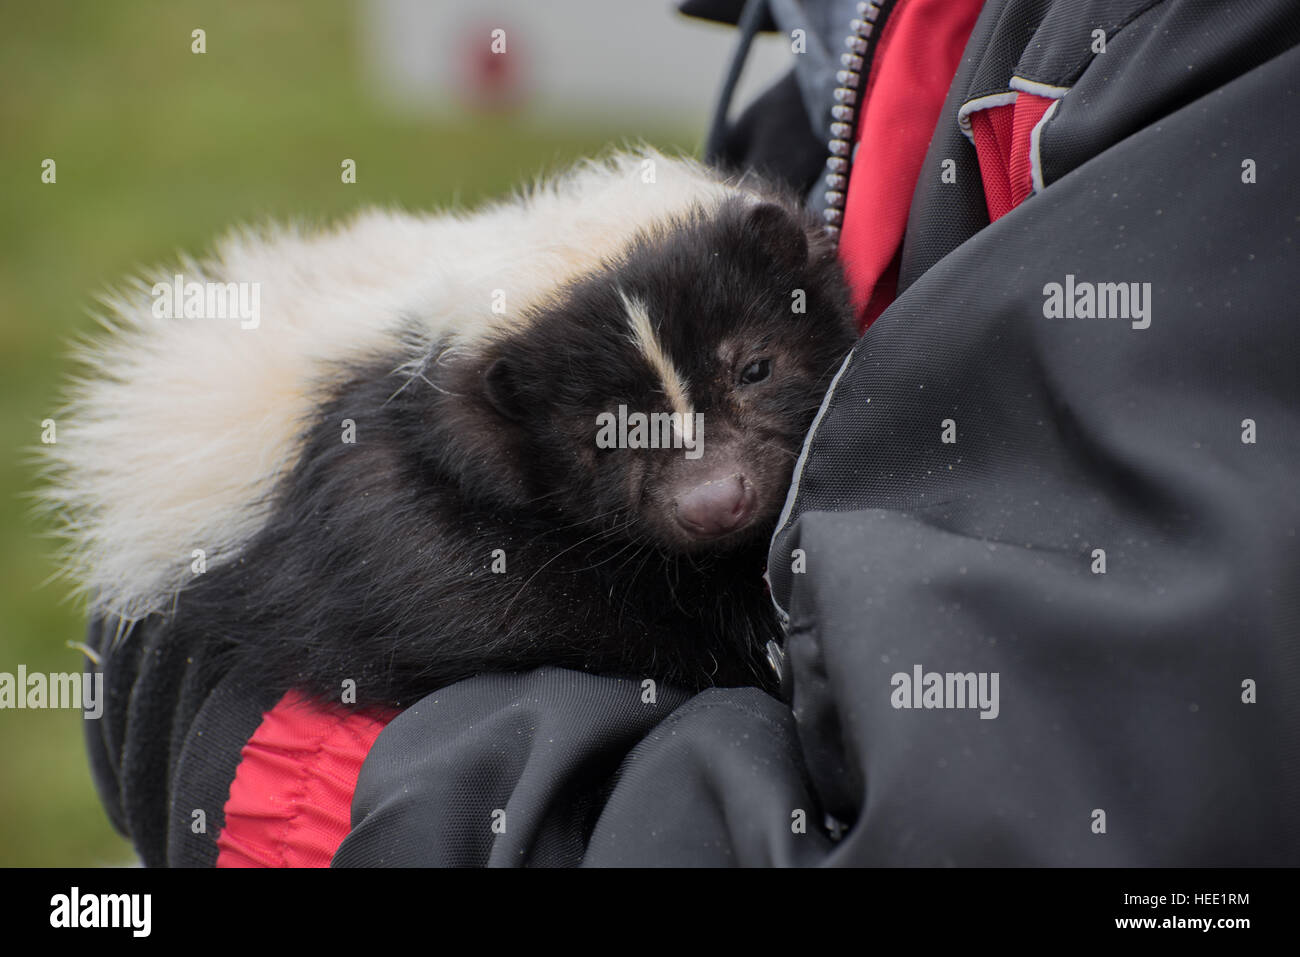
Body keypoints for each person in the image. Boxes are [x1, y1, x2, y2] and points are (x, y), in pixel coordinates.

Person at [88, 0, 1300, 866]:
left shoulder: (1207, 71)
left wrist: (319, 803)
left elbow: (997, 816)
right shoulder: (852, 64)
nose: (715, 490)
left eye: (753, 378)